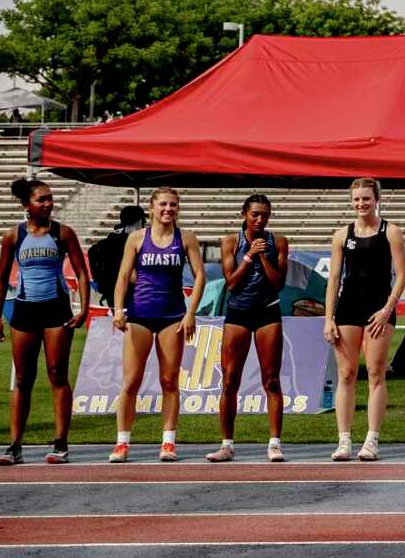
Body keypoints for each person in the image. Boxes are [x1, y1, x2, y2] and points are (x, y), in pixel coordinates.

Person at [0, 179, 89, 466]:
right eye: (41, 199)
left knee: (57, 374)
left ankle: (60, 443)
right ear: (26, 205)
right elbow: (0, 277)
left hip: (56, 311)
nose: (48, 203)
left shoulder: (63, 233)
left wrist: (82, 308)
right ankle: (14, 445)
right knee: (22, 378)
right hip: (24, 312)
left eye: (50, 198)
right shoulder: (13, 236)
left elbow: (81, 273)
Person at [109, 187, 206, 463]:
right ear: (151, 208)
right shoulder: (137, 238)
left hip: (172, 316)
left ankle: (168, 442)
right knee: (130, 381)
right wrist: (118, 309)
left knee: (169, 380)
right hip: (139, 315)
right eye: (163, 204)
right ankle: (122, 443)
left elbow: (200, 277)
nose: (168, 209)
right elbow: (123, 275)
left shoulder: (185, 238)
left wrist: (190, 312)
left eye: (173, 204)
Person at [323, 177, 405, 462]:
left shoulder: (391, 231)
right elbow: (333, 279)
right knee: (346, 374)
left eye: (366, 199)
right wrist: (328, 318)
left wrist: (386, 310)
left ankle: (372, 440)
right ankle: (344, 440)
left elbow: (401, 277)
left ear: (376, 199)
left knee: (375, 373)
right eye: (357, 199)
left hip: (379, 309)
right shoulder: (341, 235)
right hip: (348, 307)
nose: (361, 204)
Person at [206, 194, 289, 463]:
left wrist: (264, 257)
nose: (260, 219)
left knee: (272, 380)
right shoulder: (231, 241)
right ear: (244, 214)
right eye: (255, 214)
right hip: (238, 313)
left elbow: (278, 283)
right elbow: (231, 283)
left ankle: (275, 444)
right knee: (230, 380)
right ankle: (226, 445)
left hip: (268, 311)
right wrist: (249, 256)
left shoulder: (279, 242)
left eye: (265, 214)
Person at [87, 205, 146, 311]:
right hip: (132, 294)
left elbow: (92, 253)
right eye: (143, 222)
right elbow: (131, 275)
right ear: (138, 222)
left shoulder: (108, 241)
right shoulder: (130, 242)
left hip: (111, 293)